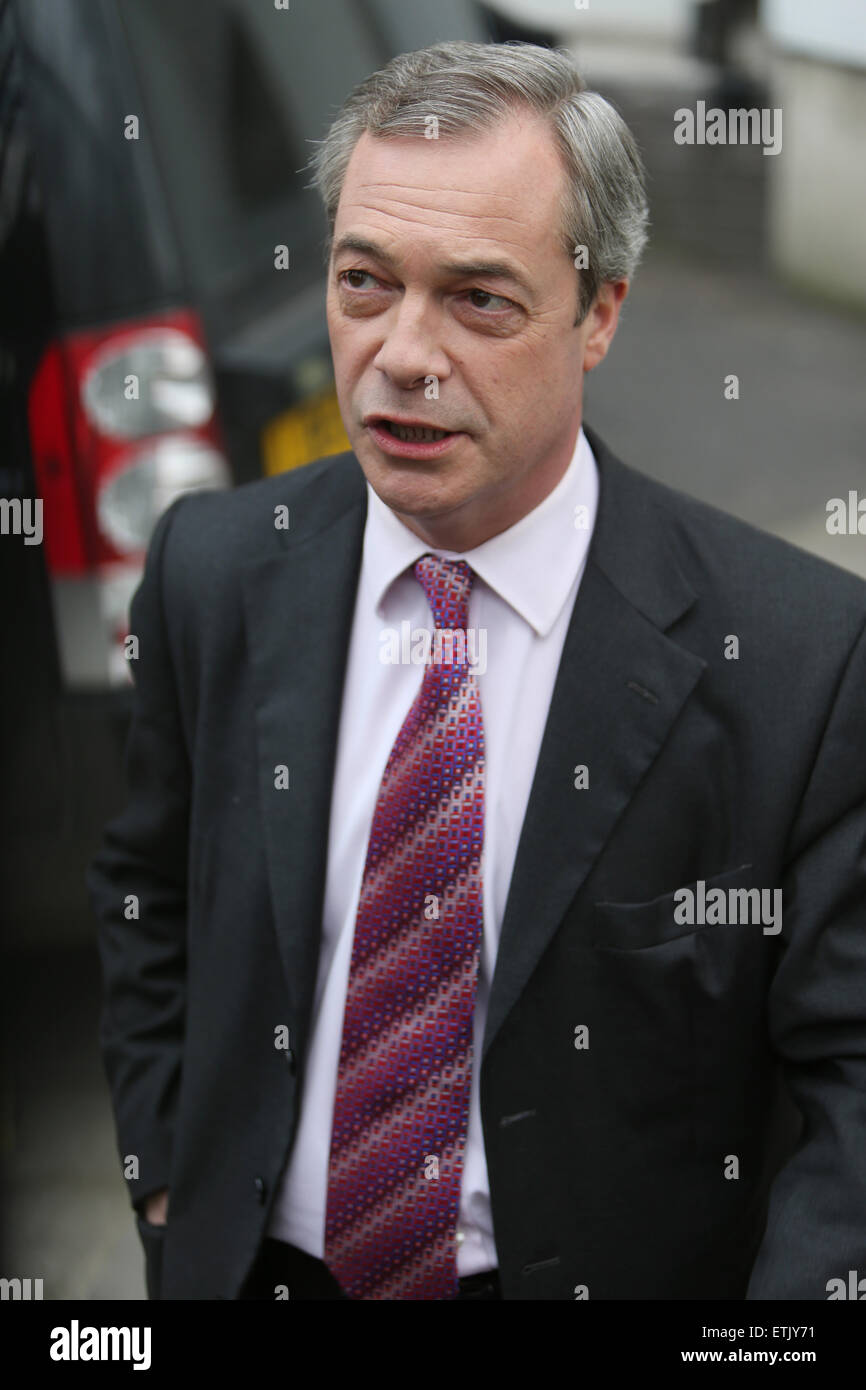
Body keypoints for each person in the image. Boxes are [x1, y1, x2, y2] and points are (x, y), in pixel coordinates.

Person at [88, 41, 866, 1301]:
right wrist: (167, 1176)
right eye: (363, 282)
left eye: (478, 300)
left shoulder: (798, 659)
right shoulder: (214, 570)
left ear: (599, 310)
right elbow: (146, 891)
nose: (402, 351)